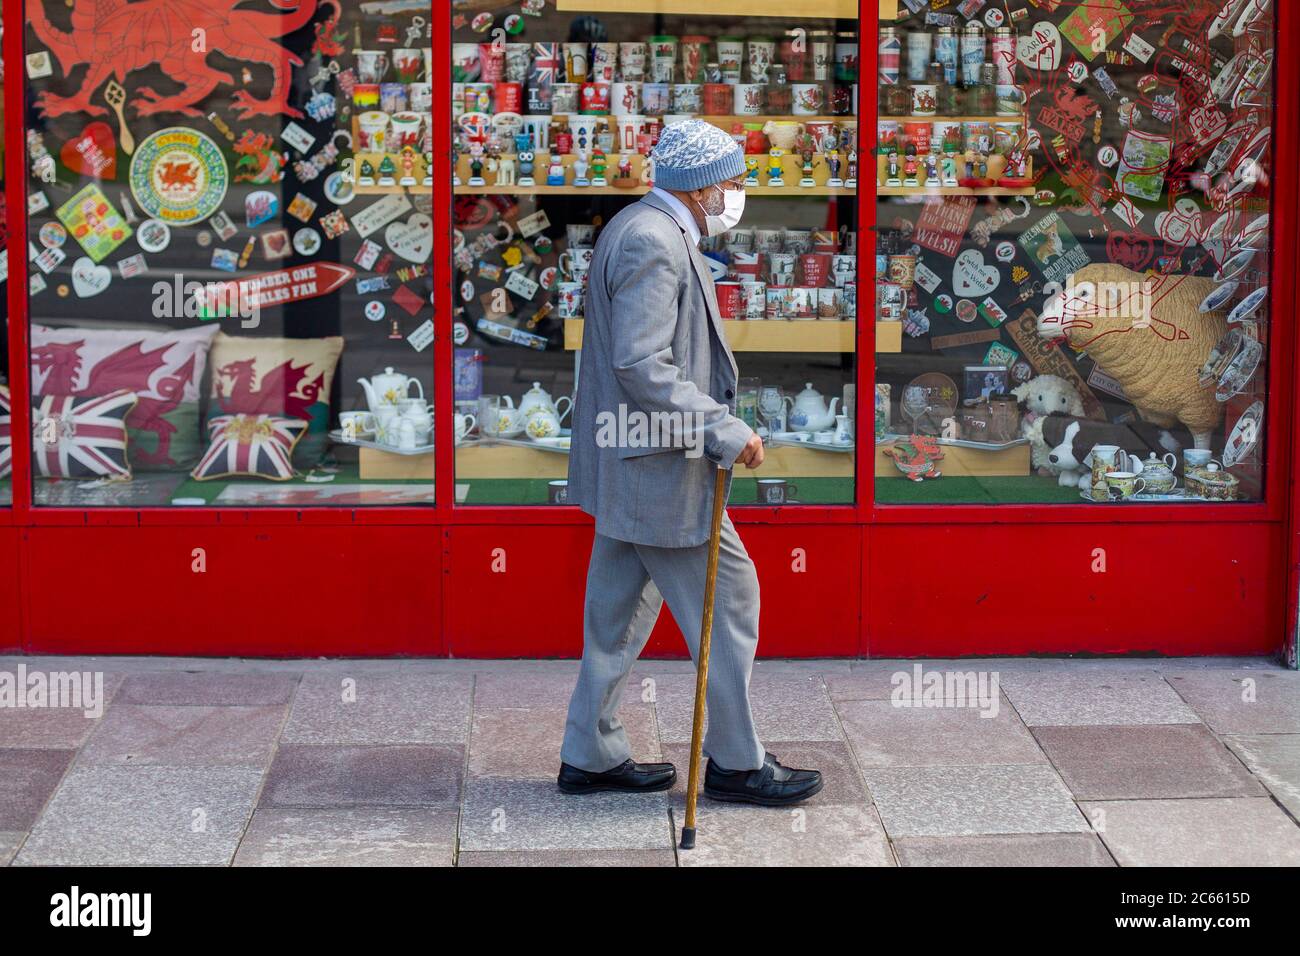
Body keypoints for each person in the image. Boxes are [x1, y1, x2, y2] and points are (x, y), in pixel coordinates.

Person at [558, 119, 823, 806]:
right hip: (660, 467)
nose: (737, 195)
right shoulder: (654, 240)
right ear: (704, 187)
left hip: (633, 461)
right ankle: (735, 762)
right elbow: (643, 363)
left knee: (615, 618)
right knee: (731, 601)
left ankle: (590, 752)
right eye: (733, 183)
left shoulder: (641, 225)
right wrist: (721, 429)